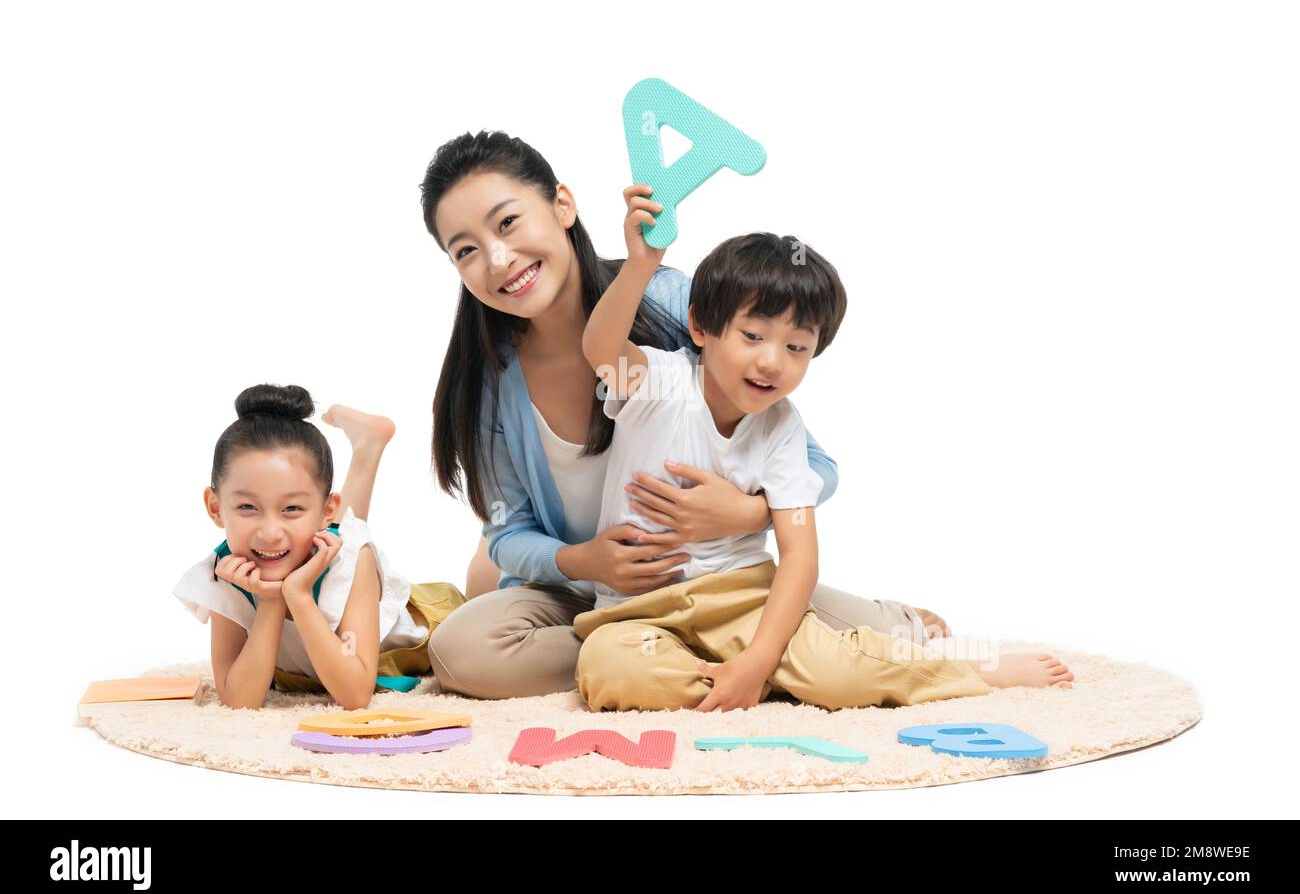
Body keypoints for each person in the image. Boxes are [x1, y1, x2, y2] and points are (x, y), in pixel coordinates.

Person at [420, 130, 950, 700]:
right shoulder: (487, 383)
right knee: (461, 653)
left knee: (864, 635)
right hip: (597, 595)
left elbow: (811, 463)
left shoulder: (669, 299)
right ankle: (683, 653)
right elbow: (509, 534)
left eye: (507, 223)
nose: (499, 258)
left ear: (562, 206)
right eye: (466, 249)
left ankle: (758, 646)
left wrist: (743, 515)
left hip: (717, 577)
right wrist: (585, 561)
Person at [571, 187, 1075, 711]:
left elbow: (800, 556)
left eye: (796, 347)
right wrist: (640, 265)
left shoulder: (782, 427)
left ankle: (962, 669)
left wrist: (760, 657)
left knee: (839, 672)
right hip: (636, 612)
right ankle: (765, 679)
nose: (772, 361)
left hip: (742, 603)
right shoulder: (662, 384)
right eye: (752, 335)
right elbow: (600, 349)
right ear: (700, 326)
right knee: (617, 672)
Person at [170, 384, 463, 709]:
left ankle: (367, 447)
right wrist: (270, 601)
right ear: (215, 508)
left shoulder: (354, 558)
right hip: (315, 650)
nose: (269, 533)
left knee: (347, 542)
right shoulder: (227, 569)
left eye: (291, 508)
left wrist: (298, 596)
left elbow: (354, 695)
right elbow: (239, 700)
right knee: (332, 535)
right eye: (247, 508)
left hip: (428, 631)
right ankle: (367, 446)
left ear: (328, 510)